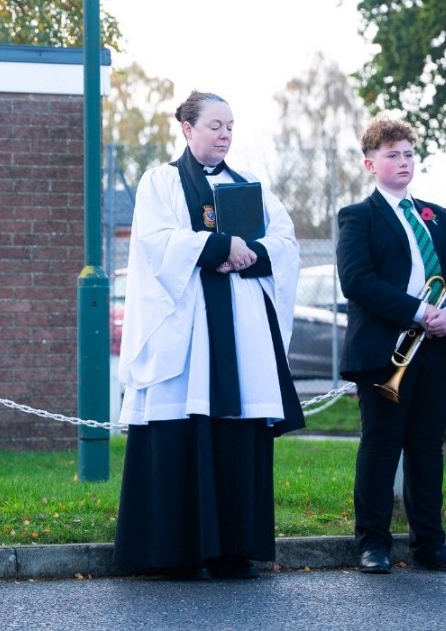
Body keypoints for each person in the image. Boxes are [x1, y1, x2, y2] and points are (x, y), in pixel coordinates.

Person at [113, 89, 303, 580]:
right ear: (188, 128)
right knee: (182, 427)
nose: (224, 134)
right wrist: (221, 244)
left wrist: (248, 253)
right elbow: (156, 241)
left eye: (231, 126)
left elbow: (284, 242)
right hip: (188, 334)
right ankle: (174, 553)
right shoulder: (162, 181)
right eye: (215, 125)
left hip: (241, 334)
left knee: (236, 433)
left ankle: (234, 551)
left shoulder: (250, 186)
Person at [337, 115, 446, 575]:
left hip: (437, 347)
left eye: (408, 154)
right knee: (381, 444)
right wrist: (418, 312)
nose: (403, 162)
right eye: (392, 155)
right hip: (387, 347)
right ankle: (373, 543)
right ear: (369, 164)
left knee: (426, 446)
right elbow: (357, 281)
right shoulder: (358, 217)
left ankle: (429, 544)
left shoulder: (436, 215)